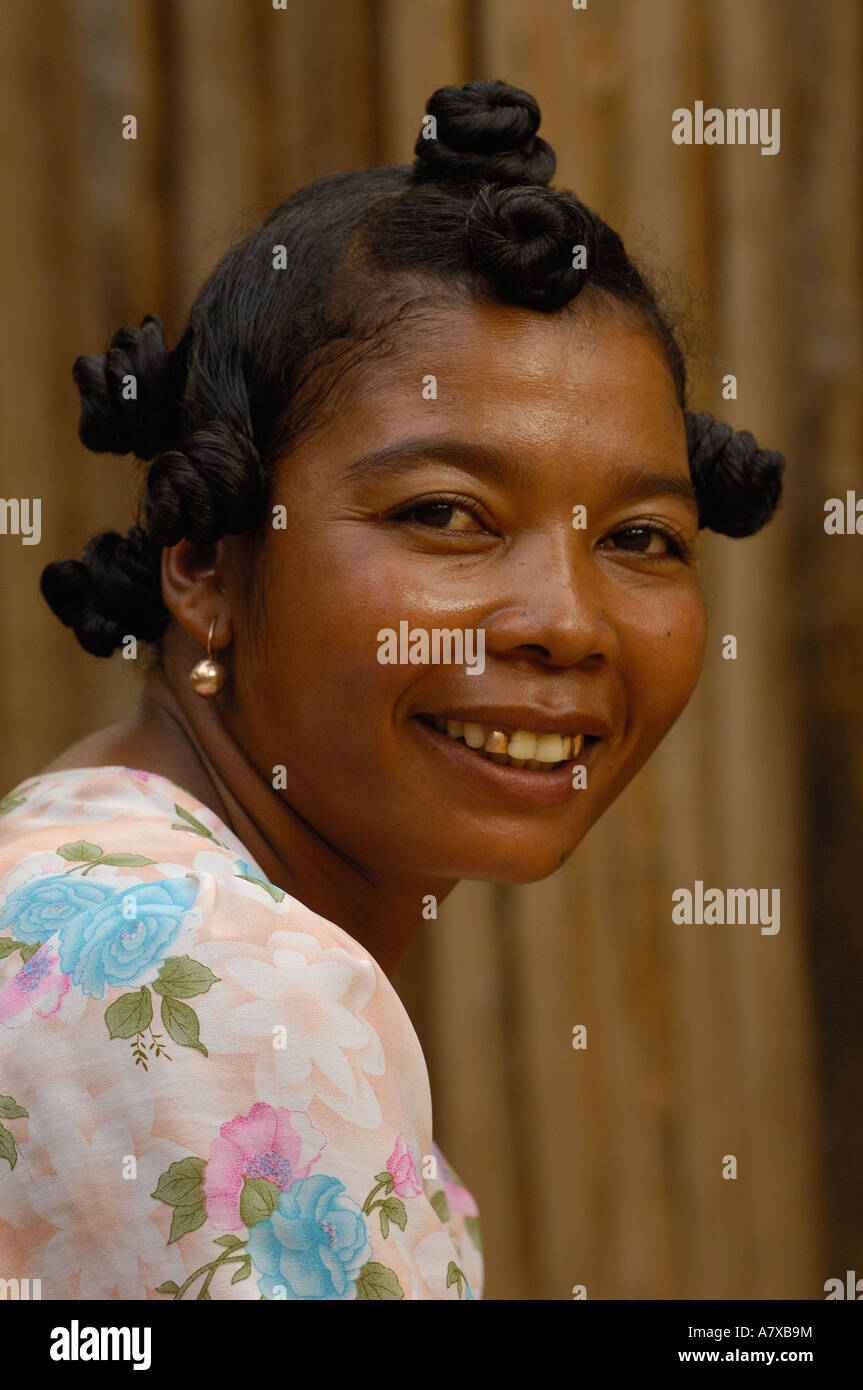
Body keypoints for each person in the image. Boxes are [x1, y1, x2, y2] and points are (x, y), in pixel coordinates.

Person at [0, 78, 784, 1301]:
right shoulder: (209, 982)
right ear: (204, 562)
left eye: (639, 537)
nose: (567, 623)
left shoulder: (79, 866)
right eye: (443, 515)